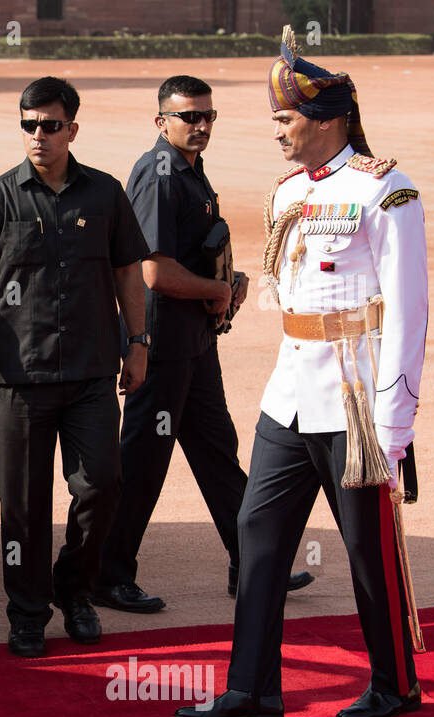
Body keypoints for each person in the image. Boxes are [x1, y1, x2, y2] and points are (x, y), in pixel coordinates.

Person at [177, 28, 427, 717]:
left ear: (329, 120)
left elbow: (409, 312)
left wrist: (394, 422)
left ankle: (395, 683)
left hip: (355, 396)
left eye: (286, 119)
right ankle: (252, 689)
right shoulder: (288, 192)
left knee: (368, 548)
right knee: (258, 532)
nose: (278, 132)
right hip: (290, 394)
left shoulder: (387, 191)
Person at [96, 75, 313, 613]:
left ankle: (254, 564)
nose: (200, 126)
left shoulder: (189, 170)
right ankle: (108, 573)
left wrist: (228, 281)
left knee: (218, 452)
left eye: (207, 116)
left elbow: (187, 255)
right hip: (162, 343)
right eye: (188, 116)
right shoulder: (159, 174)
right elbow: (153, 272)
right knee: (143, 459)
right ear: (161, 121)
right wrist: (219, 288)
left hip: (193, 342)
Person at [0, 76, 149, 657]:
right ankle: (28, 613)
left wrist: (138, 343)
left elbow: (127, 275)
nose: (38, 136)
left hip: (92, 371)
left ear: (72, 129)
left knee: (103, 486)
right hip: (21, 377)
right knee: (24, 504)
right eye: (29, 125)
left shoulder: (105, 195)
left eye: (50, 125)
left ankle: (75, 587)